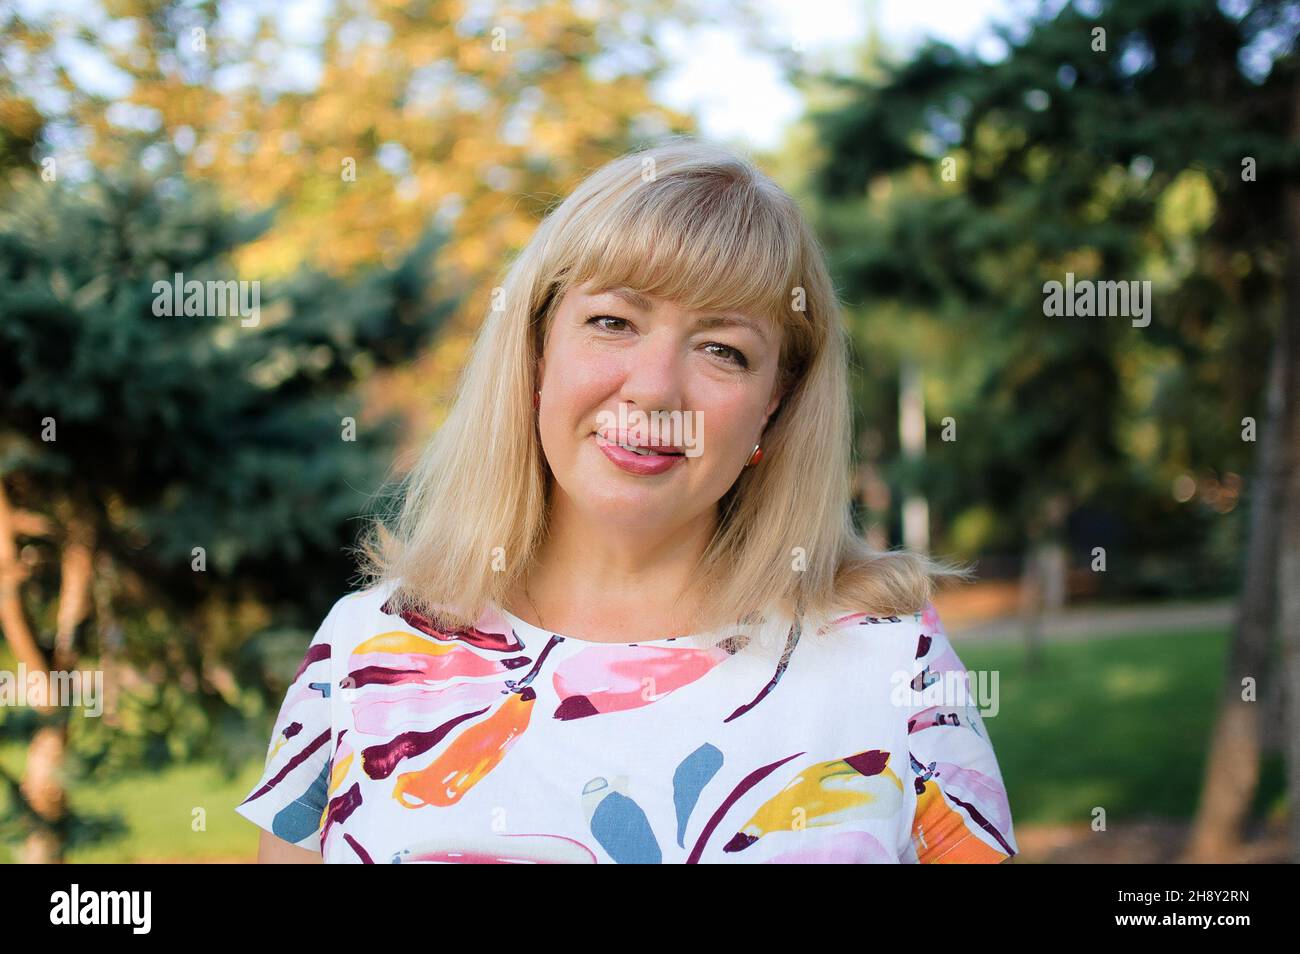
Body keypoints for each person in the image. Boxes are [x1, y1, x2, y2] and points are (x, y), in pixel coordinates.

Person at [235, 136, 1018, 864]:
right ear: (537, 350)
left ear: (775, 403)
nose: (653, 387)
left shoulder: (890, 662)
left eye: (723, 349)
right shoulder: (366, 653)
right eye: (612, 320)